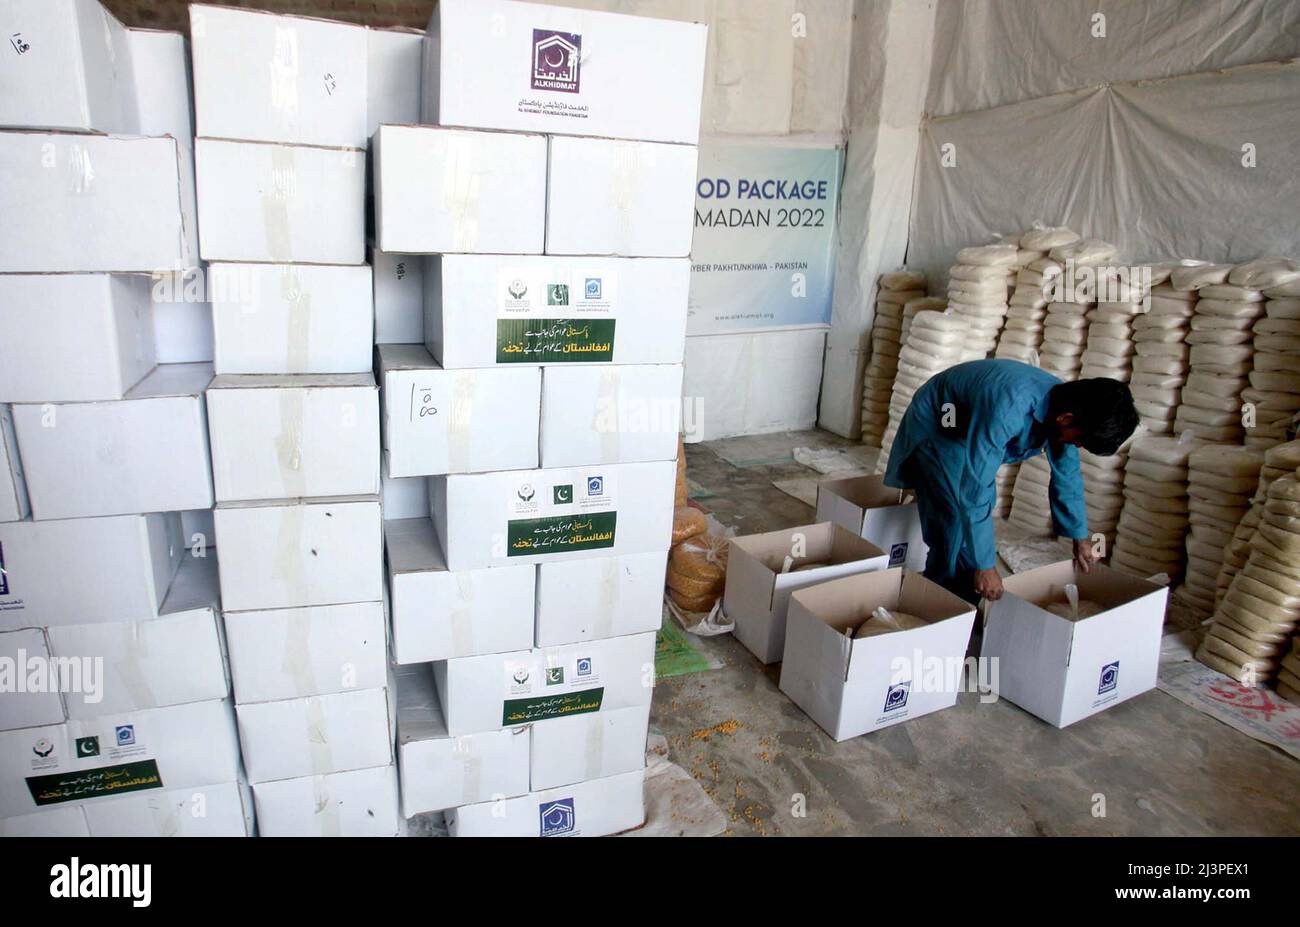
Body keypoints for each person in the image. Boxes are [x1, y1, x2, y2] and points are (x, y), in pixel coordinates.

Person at [883, 358, 1139, 603]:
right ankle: (937, 604)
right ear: (1066, 419)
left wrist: (1079, 536)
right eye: (1078, 440)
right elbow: (974, 490)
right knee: (951, 521)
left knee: (974, 521)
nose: (1076, 445)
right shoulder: (1009, 407)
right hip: (942, 424)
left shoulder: (1071, 408)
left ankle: (963, 600)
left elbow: (1068, 476)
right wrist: (985, 566)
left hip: (970, 425)